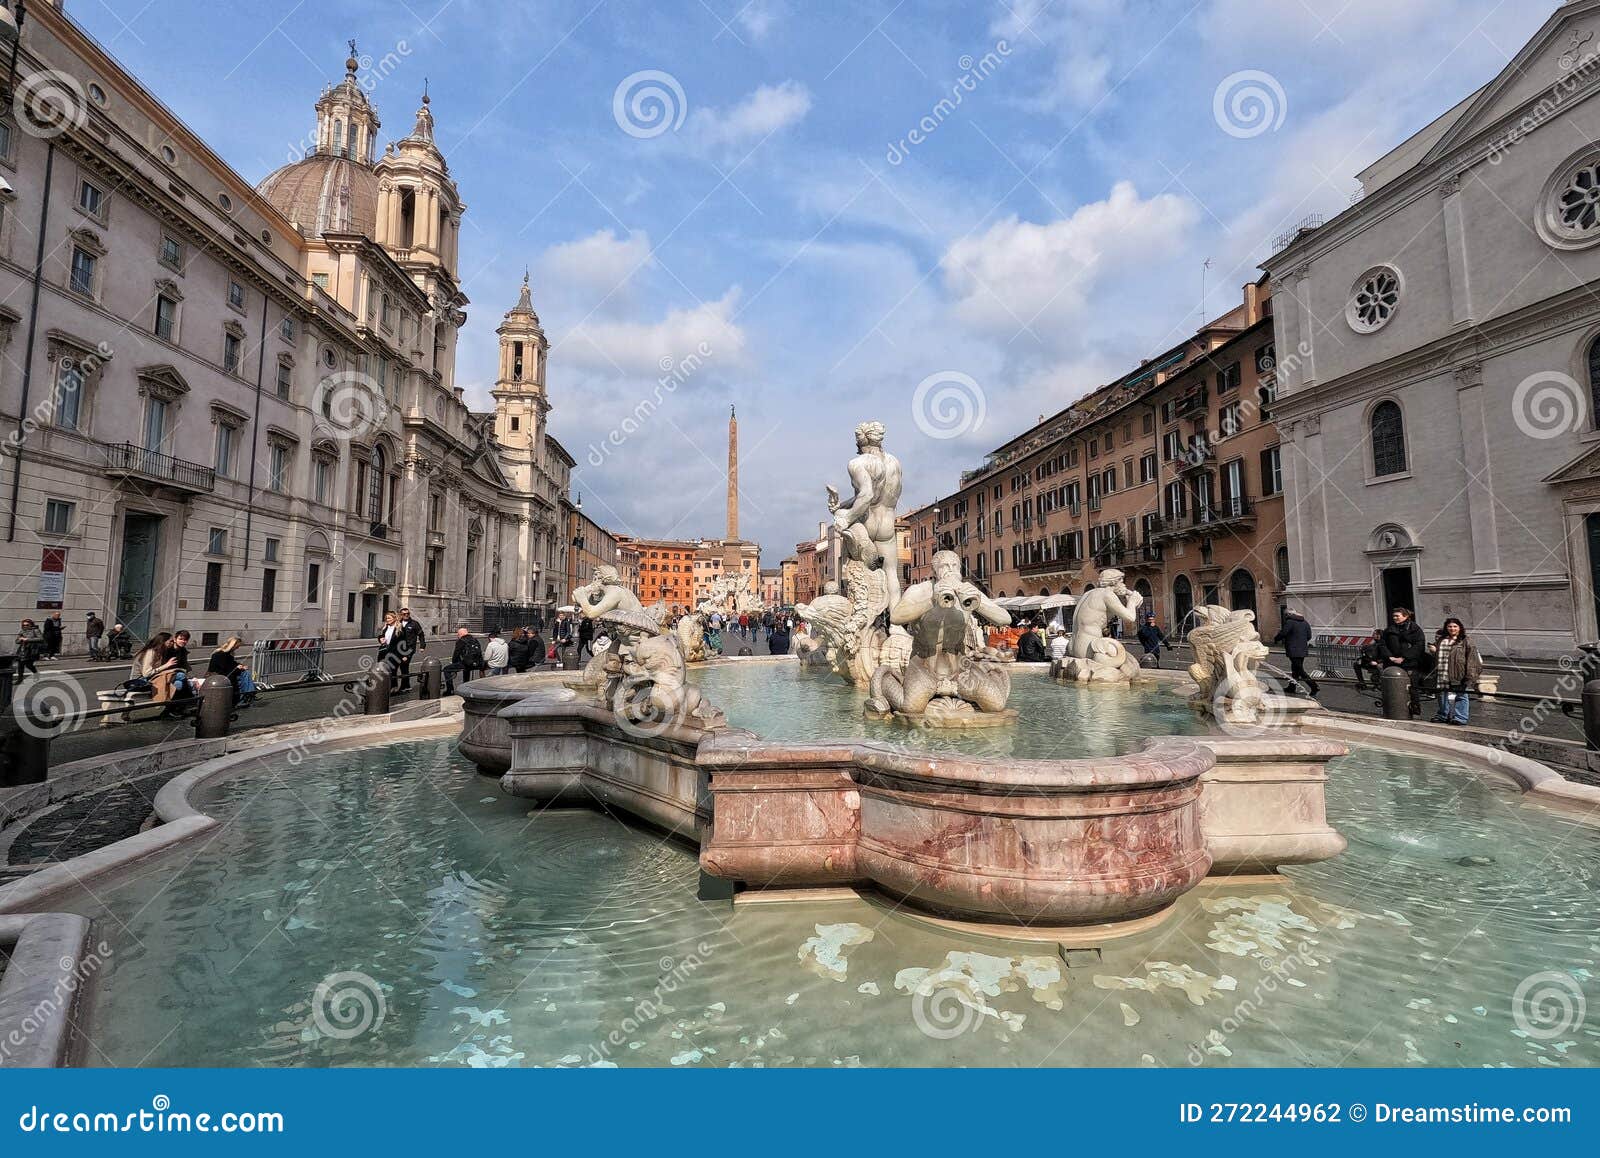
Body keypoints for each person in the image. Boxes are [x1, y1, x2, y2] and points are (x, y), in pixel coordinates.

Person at [1428, 617, 1483, 725]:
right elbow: (1441, 656)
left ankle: (1460, 717)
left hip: (1458, 673)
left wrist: (1470, 676)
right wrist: (1434, 652)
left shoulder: (1466, 640)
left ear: (1459, 628)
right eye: (1449, 626)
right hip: (1442, 672)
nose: (1452, 628)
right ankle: (1443, 715)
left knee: (1461, 696)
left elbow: (1472, 660)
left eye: (1455, 626)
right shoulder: (1441, 640)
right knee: (1442, 695)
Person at [1379, 607, 1428, 718]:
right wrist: (1389, 656)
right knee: (1391, 686)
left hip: (1409, 663)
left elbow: (1419, 645)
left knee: (1412, 687)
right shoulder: (1389, 630)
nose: (1395, 618)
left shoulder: (1415, 629)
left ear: (1405, 616)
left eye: (1397, 616)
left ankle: (1415, 711)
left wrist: (1404, 657)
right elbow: (1382, 644)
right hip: (1391, 663)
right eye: (1394, 616)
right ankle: (1392, 710)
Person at [1272, 608, 1318, 697]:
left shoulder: (1290, 622)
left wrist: (1276, 638)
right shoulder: (1305, 622)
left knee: (1300, 670)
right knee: (1295, 669)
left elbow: (1283, 633)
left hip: (1293, 649)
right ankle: (1292, 687)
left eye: (1285, 615)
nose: (1285, 617)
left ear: (1288, 615)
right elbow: (1309, 636)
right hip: (1303, 648)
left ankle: (1314, 687)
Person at [207, 636, 258, 707]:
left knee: (246, 673)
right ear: (233, 645)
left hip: (226, 674)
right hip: (219, 676)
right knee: (245, 674)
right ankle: (249, 695)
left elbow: (232, 664)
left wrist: (241, 666)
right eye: (237, 646)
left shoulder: (228, 655)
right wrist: (238, 668)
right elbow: (225, 669)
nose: (238, 648)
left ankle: (248, 696)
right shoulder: (220, 654)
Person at [132, 632, 178, 702]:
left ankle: (175, 705)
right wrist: (166, 665)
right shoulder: (151, 652)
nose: (173, 643)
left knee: (178, 680)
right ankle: (174, 705)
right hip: (140, 681)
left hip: (151, 678)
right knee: (179, 677)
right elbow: (146, 673)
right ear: (163, 641)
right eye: (171, 641)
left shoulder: (160, 652)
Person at [445, 627, 485, 694]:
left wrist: (454, 664)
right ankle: (466, 686)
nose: (458, 636)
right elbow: (479, 652)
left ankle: (450, 690)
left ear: (460, 634)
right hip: (477, 664)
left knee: (446, 669)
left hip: (467, 664)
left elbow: (456, 654)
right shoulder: (475, 640)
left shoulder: (461, 641)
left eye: (458, 635)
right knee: (466, 668)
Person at [394, 607, 426, 691]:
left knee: (404, 665)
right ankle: (404, 685)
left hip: (409, 649)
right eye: (404, 614)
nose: (406, 615)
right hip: (399, 649)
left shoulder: (414, 623)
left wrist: (422, 646)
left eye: (408, 614)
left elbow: (421, 635)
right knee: (399, 667)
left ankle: (404, 686)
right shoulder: (398, 623)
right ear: (401, 615)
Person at [377, 611, 401, 687]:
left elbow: (403, 642)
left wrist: (403, 655)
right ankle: (383, 688)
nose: (387, 619)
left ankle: (393, 688)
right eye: (386, 618)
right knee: (382, 670)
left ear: (394, 618)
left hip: (394, 654)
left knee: (392, 671)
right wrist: (381, 639)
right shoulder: (385, 627)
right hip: (383, 652)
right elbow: (381, 636)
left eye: (389, 618)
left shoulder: (399, 628)